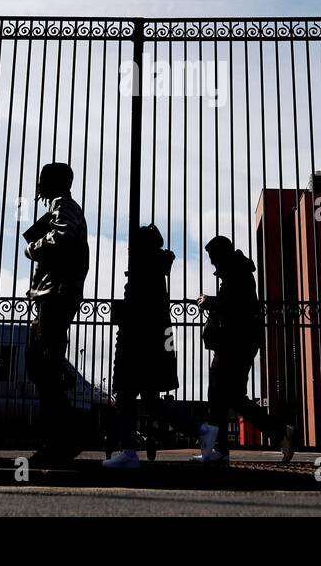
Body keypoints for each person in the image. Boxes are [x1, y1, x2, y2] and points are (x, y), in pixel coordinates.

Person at [102, 224, 217, 470]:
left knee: (125, 396)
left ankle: (129, 451)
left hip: (137, 344)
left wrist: (122, 313)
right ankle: (201, 430)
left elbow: (138, 309)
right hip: (153, 343)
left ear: (141, 246)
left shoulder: (143, 270)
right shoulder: (155, 268)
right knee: (151, 400)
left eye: (133, 244)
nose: (130, 248)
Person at [196, 235, 297, 465]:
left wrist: (209, 301)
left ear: (221, 255)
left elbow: (233, 306)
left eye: (213, 258)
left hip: (234, 345)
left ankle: (277, 433)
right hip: (239, 344)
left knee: (222, 395)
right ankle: (223, 448)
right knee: (226, 396)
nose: (212, 263)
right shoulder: (238, 271)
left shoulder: (235, 273)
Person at [23, 162, 89, 463]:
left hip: (56, 295)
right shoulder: (60, 207)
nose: (38, 186)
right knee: (42, 364)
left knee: (42, 365)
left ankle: (64, 438)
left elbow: (59, 240)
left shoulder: (63, 206)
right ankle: (64, 436)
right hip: (53, 295)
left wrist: (32, 247)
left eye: (43, 180)